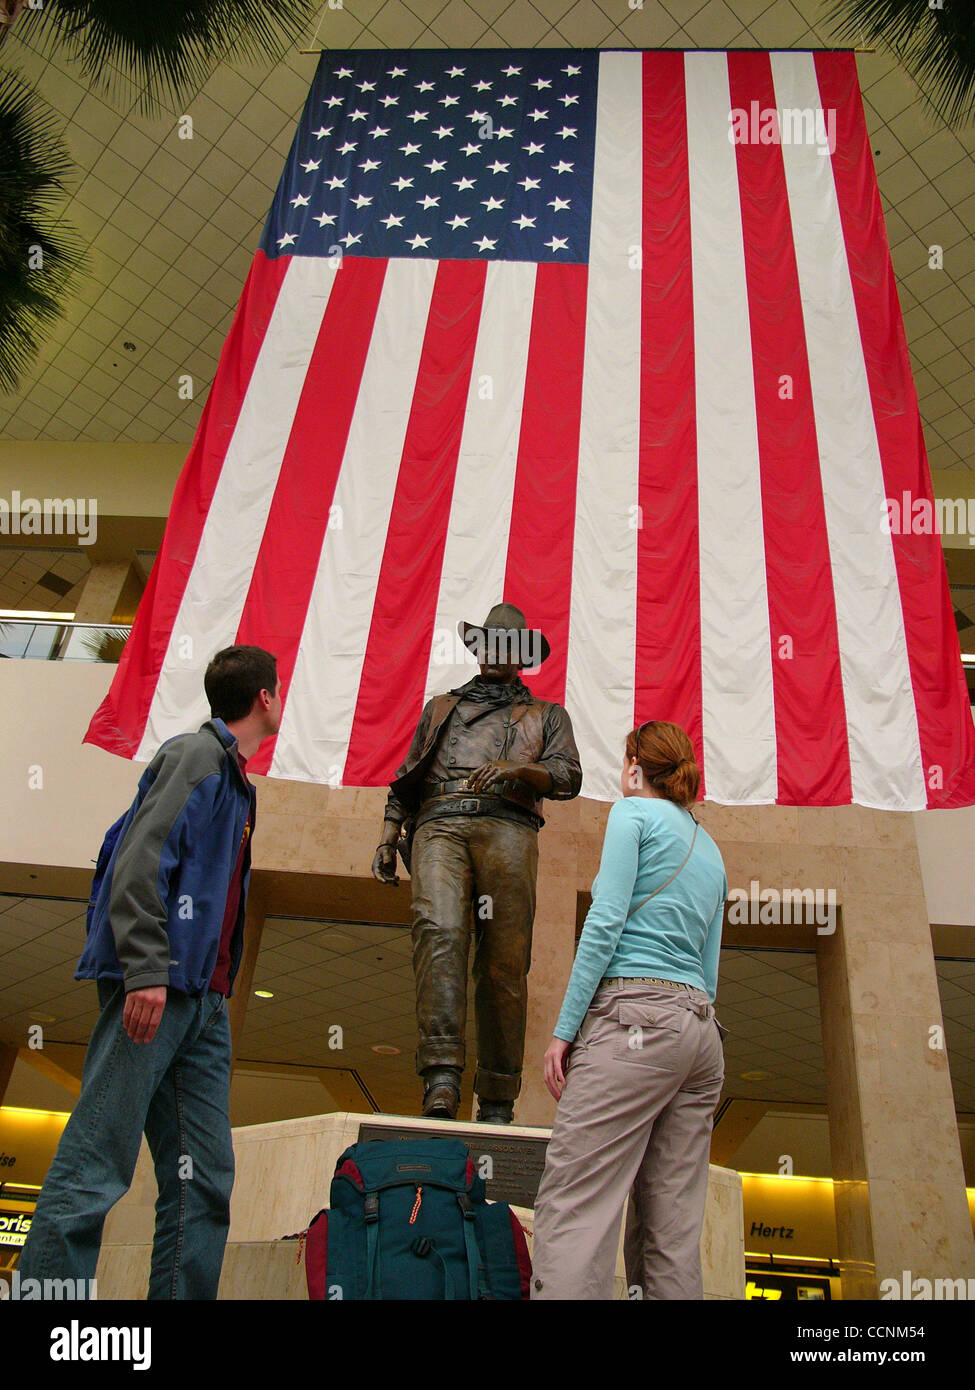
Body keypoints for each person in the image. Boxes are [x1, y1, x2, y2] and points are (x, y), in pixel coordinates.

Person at [18, 645, 281, 1299]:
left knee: (204, 1180)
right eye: (279, 692)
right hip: (161, 988)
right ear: (264, 699)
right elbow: (142, 858)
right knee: (98, 1157)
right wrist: (146, 970)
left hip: (203, 1002)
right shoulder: (194, 757)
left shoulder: (232, 778)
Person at [530, 720, 728, 1300]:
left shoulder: (631, 815)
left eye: (624, 763)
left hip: (633, 1022)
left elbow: (604, 923)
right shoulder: (711, 849)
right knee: (671, 1223)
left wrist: (564, 1031)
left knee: (577, 1201)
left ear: (636, 766)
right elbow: (710, 966)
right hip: (700, 1037)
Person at [372, 602, 582, 1123]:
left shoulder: (546, 715)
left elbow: (568, 776)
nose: (494, 656)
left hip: (508, 827)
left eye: (506, 648)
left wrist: (521, 770)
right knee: (438, 933)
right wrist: (387, 833)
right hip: (439, 824)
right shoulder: (441, 707)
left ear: (521, 657)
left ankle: (497, 1097)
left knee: (504, 961)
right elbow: (409, 775)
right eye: (488, 645)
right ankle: (440, 1079)